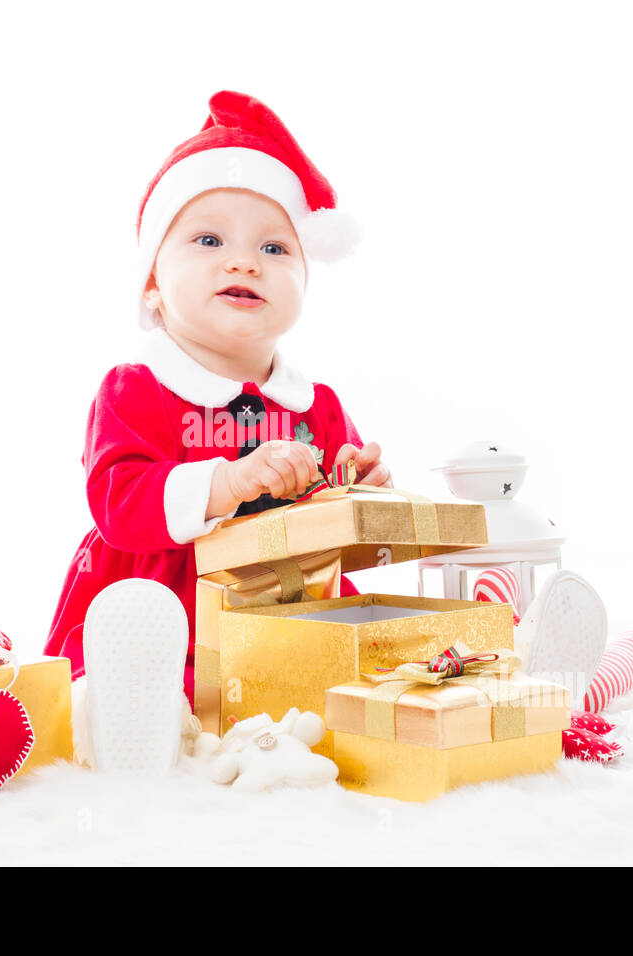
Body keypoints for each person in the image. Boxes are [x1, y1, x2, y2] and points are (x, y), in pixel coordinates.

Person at [44, 91, 389, 726]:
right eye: (208, 239)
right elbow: (118, 501)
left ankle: (492, 652)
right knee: (148, 693)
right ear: (152, 283)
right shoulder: (137, 387)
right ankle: (138, 721)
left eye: (275, 249)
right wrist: (224, 482)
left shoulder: (317, 405)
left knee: (355, 667)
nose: (242, 262)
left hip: (283, 605)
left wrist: (357, 488)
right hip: (164, 604)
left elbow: (336, 520)